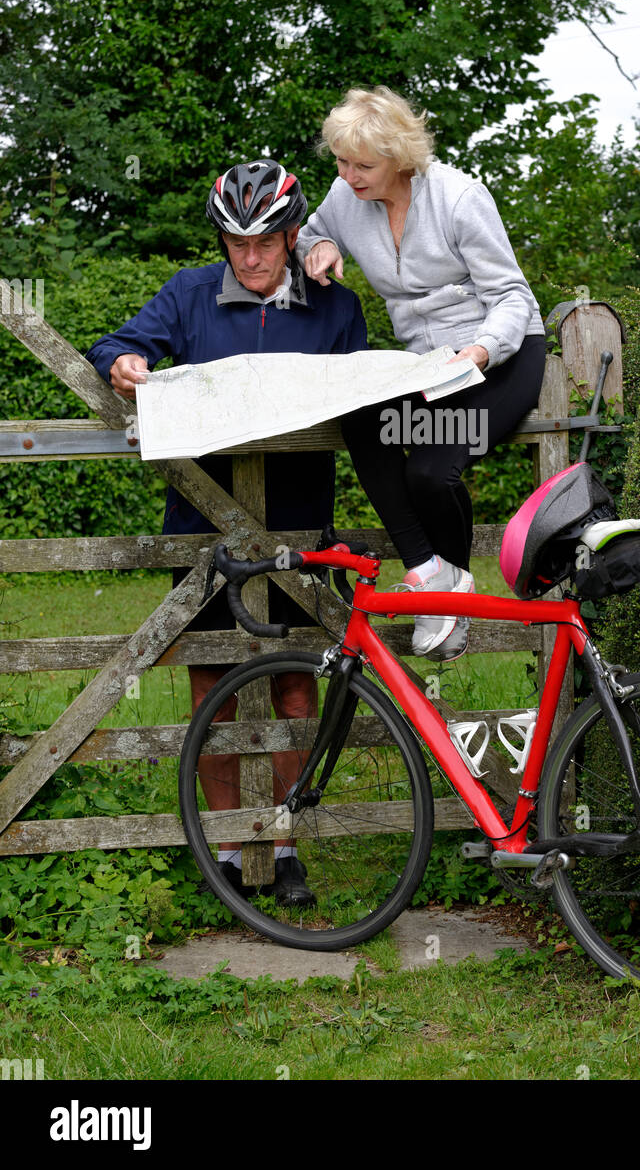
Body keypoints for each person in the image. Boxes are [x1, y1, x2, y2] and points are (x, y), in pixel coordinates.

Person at [84, 159, 367, 903]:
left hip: (299, 525)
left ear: (292, 233)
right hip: (203, 526)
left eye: (265, 242)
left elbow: (363, 397)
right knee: (209, 685)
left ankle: (284, 840)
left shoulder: (334, 306)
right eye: (235, 243)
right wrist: (126, 363)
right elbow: (113, 345)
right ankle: (233, 851)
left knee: (295, 692)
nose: (249, 258)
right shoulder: (188, 293)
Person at [295, 87, 547, 661]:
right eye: (340, 161)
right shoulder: (344, 194)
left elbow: (511, 294)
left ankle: (451, 592)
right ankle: (426, 568)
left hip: (502, 354)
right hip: (429, 365)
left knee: (433, 472)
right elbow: (308, 231)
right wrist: (324, 244)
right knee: (361, 421)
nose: (349, 174)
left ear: (400, 157)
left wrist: (481, 351)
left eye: (363, 164)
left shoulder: (459, 198)